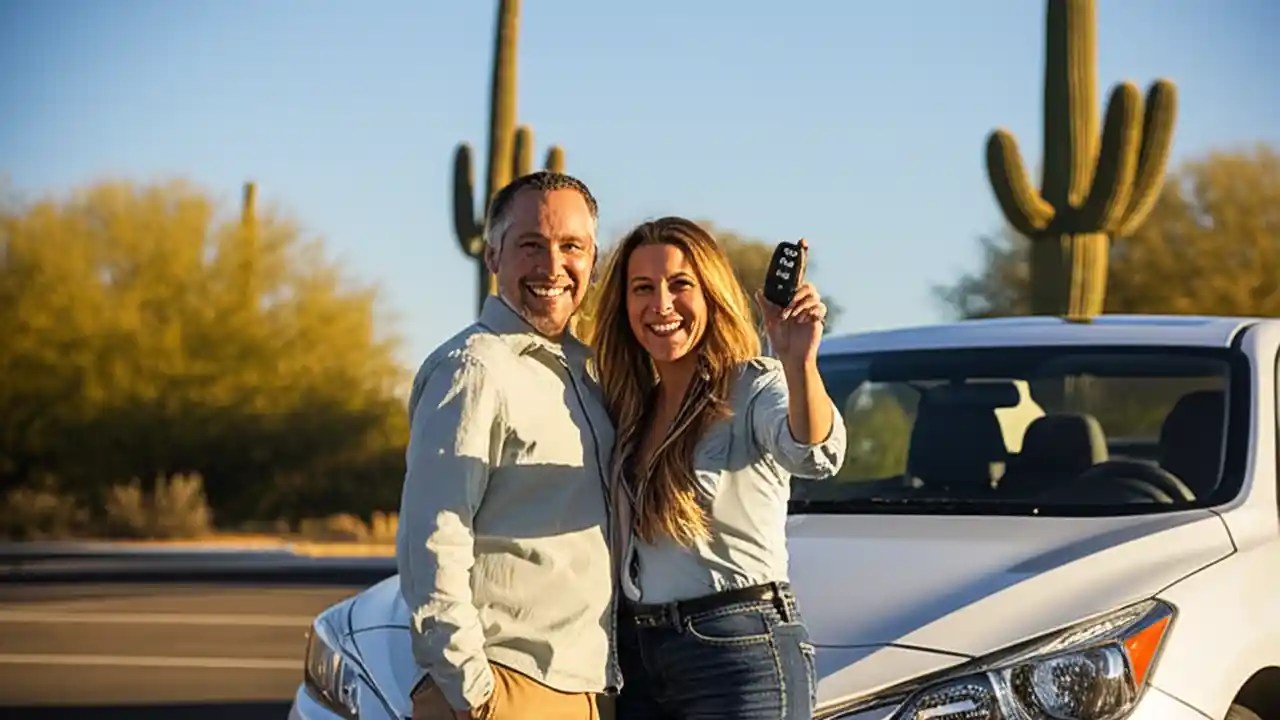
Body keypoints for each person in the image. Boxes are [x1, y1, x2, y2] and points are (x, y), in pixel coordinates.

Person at [588, 216, 846, 719]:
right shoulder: (629, 407)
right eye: (643, 288)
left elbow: (815, 453)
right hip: (638, 658)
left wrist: (800, 365)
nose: (661, 305)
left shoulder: (753, 385)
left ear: (710, 294)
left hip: (737, 651)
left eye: (680, 284)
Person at [397, 171, 619, 720]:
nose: (552, 267)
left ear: (592, 259)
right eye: (530, 246)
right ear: (493, 255)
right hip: (506, 687)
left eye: (572, 247)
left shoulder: (589, 375)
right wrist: (473, 692)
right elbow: (433, 537)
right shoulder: (474, 369)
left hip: (585, 687)